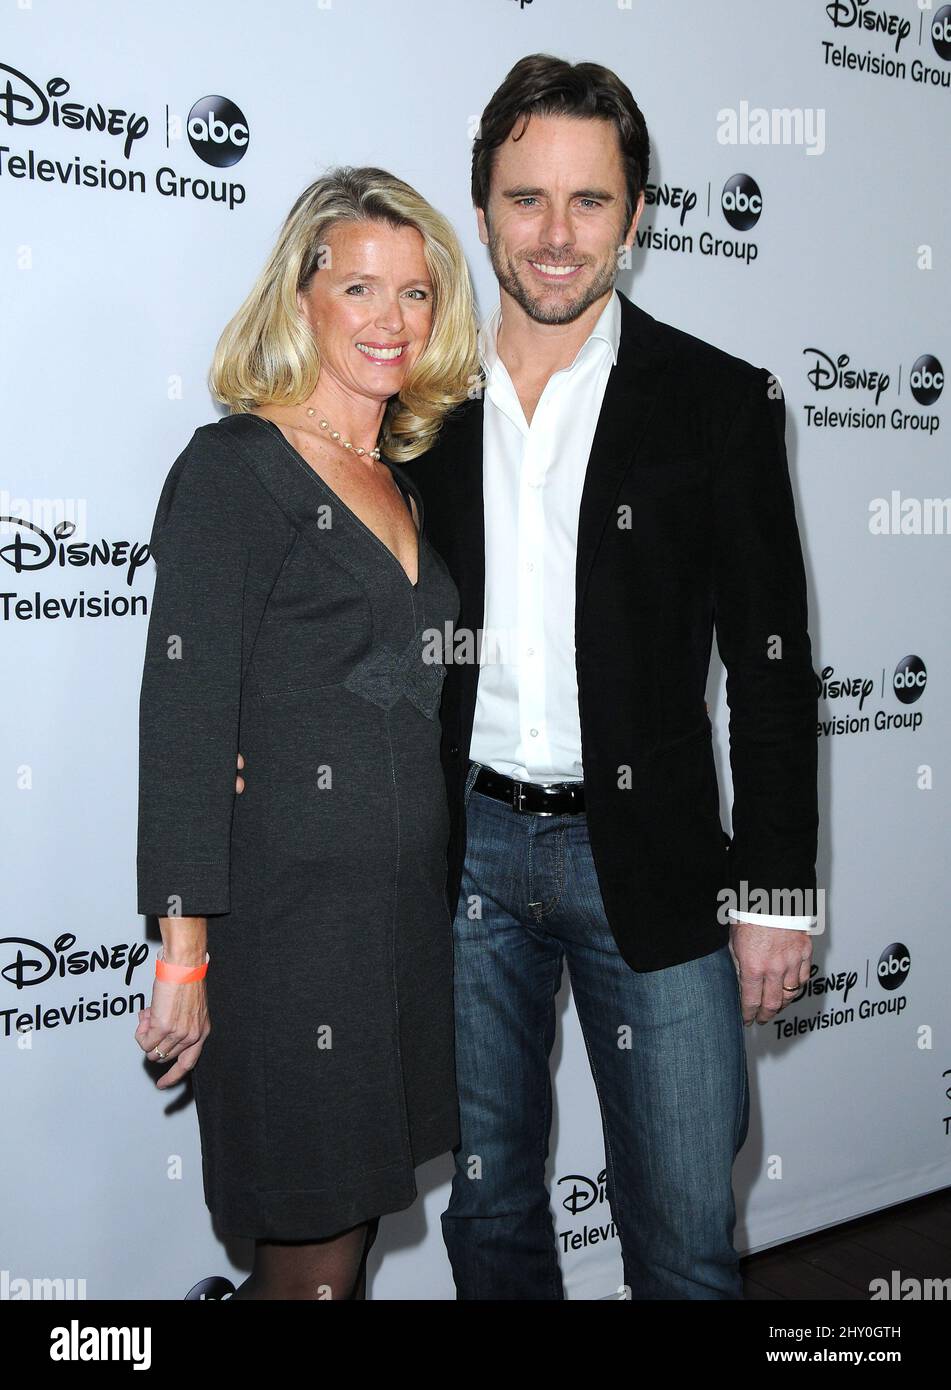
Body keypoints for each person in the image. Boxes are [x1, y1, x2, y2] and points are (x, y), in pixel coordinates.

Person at [397, 54, 821, 1300]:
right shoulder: (419, 402)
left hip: (659, 859)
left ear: (638, 217)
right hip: (466, 853)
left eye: (591, 201)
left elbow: (775, 662)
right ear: (480, 209)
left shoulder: (718, 402)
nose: (558, 235)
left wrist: (778, 888)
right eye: (528, 199)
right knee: (492, 1222)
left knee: (686, 1238)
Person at [134, 166, 479, 1300]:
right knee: (315, 1254)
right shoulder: (233, 470)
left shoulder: (403, 481)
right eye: (361, 287)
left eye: (416, 293)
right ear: (302, 297)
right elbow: (187, 718)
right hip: (286, 928)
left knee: (353, 1236)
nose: (391, 320)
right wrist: (182, 955)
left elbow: (389, 687)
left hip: (395, 920)